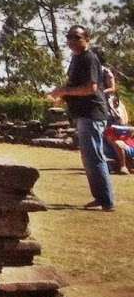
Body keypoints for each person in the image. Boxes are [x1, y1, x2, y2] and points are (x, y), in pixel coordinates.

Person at [50, 24, 115, 212]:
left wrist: (64, 91)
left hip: (92, 114)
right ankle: (100, 198)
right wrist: (64, 97)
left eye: (76, 37)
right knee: (89, 158)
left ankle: (107, 201)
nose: (72, 41)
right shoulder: (76, 59)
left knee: (95, 157)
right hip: (83, 114)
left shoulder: (89, 59)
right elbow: (75, 84)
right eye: (69, 37)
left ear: (87, 38)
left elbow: (91, 88)